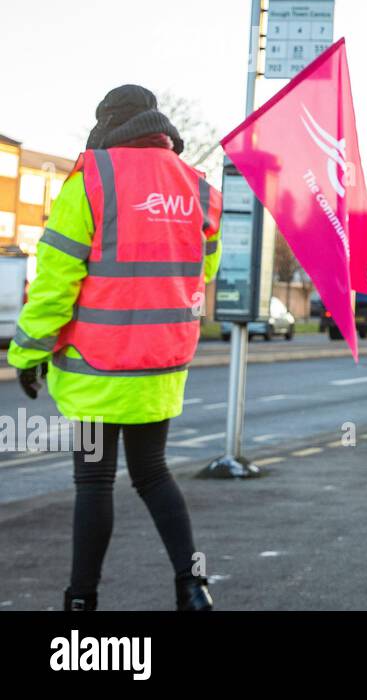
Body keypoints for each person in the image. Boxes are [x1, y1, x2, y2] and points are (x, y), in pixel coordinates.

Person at [7, 86, 222, 611]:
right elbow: (204, 272)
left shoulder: (93, 180)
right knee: (153, 473)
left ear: (108, 123)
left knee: (95, 481)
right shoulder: (198, 189)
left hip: (97, 367)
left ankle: (81, 602)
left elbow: (57, 283)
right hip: (160, 366)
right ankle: (192, 585)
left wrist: (27, 352)